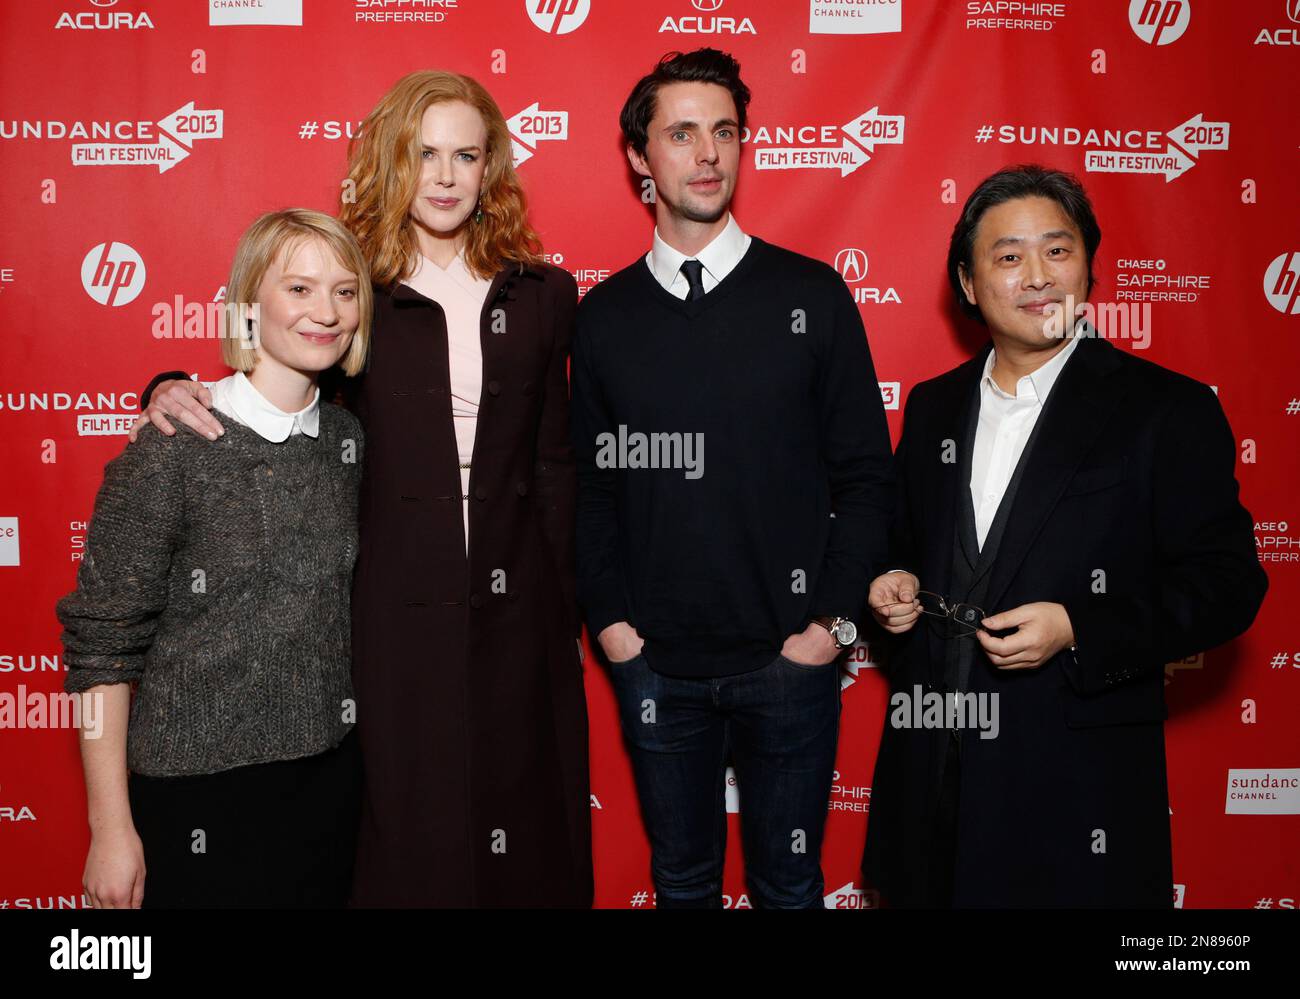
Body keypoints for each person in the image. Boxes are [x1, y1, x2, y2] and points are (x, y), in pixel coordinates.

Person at [130, 71, 592, 907]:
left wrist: (561, 603)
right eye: (424, 155)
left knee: (522, 820)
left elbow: (555, 462)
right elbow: (268, 356)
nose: (445, 176)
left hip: (519, 602)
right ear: (391, 162)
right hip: (389, 603)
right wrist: (168, 383)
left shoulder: (544, 293)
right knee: (406, 825)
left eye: (465, 155)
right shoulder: (357, 285)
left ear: (491, 168)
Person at [863, 165, 1268, 907]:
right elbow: (903, 546)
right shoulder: (932, 408)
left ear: (1088, 263)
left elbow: (1228, 584)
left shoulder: (1164, 409)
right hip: (931, 787)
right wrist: (890, 587)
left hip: (1077, 800)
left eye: (1059, 250)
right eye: (1009, 256)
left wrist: (1080, 625)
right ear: (968, 280)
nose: (1038, 276)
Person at [571, 48, 894, 909]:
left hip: (790, 664)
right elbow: (592, 489)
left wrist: (829, 626)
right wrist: (613, 628)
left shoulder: (813, 295)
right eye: (681, 133)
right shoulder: (602, 317)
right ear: (642, 156)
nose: (708, 153)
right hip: (656, 670)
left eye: (725, 131)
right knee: (680, 881)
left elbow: (866, 475)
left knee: (790, 885)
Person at [58, 209, 370, 908]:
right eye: (298, 288)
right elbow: (102, 647)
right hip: (194, 795)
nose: (326, 311)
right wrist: (110, 827)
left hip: (327, 784)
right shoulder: (172, 442)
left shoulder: (348, 439)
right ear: (248, 305)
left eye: (346, 291)